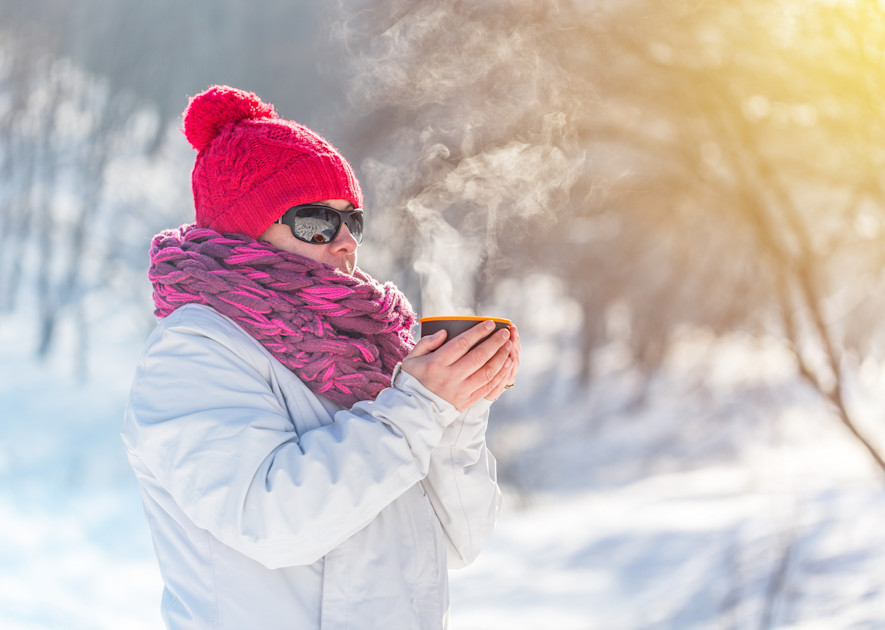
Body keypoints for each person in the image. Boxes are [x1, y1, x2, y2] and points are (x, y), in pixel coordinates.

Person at [121, 84, 520, 630]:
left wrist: (457, 405)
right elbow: (273, 522)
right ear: (247, 228)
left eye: (351, 221)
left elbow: (460, 542)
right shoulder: (196, 353)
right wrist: (421, 408)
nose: (345, 242)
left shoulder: (369, 348)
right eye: (315, 222)